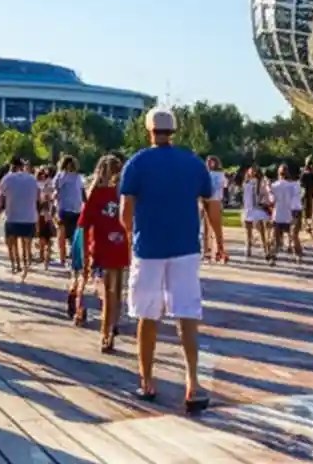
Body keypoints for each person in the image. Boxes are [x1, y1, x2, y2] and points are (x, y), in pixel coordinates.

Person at [120, 108, 226, 412]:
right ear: (174, 131)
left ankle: (147, 381)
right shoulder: (194, 164)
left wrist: (131, 235)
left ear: (149, 130)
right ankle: (193, 383)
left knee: (147, 315)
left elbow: (126, 213)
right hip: (185, 249)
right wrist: (219, 241)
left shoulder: (136, 163)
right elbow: (211, 206)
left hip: (149, 249)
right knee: (187, 314)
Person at [77, 155, 129, 351]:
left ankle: (106, 333)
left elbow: (83, 225)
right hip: (121, 244)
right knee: (116, 289)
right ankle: (112, 325)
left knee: (108, 291)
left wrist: (84, 257)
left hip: (101, 245)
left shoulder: (96, 194)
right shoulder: (124, 193)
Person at [0, 157, 40, 280]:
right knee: (27, 244)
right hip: (29, 217)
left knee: (11, 243)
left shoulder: (7, 178)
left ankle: (14, 265)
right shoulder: (32, 179)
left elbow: (1, 195)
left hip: (12, 216)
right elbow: (39, 197)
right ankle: (26, 267)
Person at [54, 155, 85, 267]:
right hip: (77, 209)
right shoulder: (79, 177)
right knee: (74, 236)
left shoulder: (61, 176)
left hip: (63, 208)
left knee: (61, 235)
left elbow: (55, 191)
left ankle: (62, 259)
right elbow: (83, 194)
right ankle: (74, 258)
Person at [269, 165, 299, 265]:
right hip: (288, 214)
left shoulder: (274, 186)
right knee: (292, 236)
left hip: (278, 214)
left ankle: (274, 256)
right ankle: (297, 256)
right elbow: (295, 200)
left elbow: (271, 200)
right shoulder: (293, 186)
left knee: (276, 237)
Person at [241, 166, 272, 261]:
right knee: (248, 231)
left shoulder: (260, 182)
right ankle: (248, 248)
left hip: (257, 208)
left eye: (254, 170)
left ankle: (265, 249)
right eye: (251, 170)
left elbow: (264, 193)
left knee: (261, 229)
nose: (252, 172)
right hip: (248, 208)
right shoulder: (246, 182)